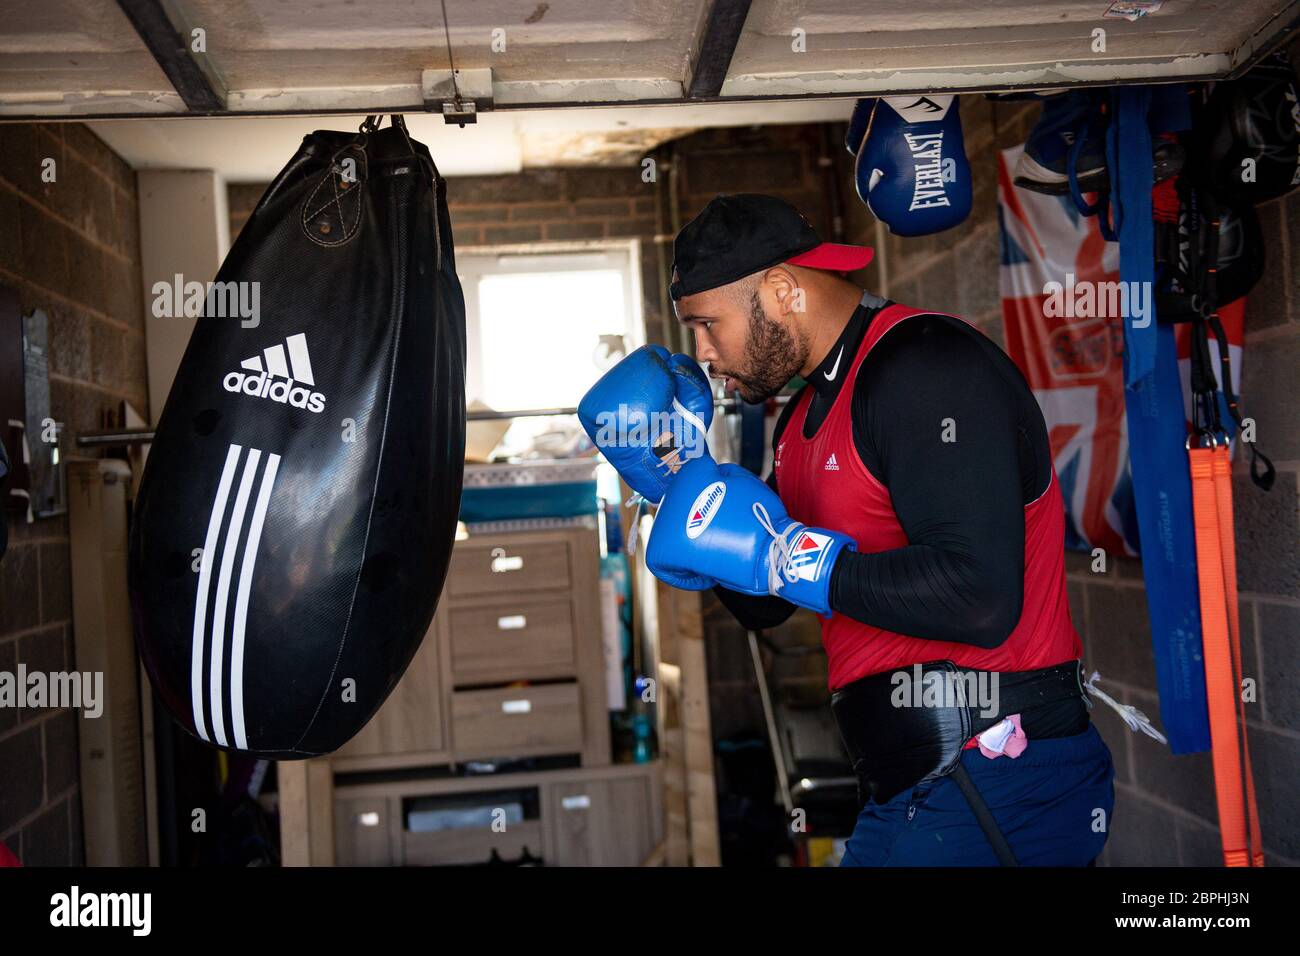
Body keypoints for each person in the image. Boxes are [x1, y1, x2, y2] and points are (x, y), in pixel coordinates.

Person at [584, 193, 1114, 866]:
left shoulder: (924, 368)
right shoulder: (801, 421)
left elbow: (978, 596)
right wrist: (680, 485)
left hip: (997, 769)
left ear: (779, 290)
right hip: (912, 788)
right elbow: (766, 604)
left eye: (708, 324)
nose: (704, 353)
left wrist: (789, 560)